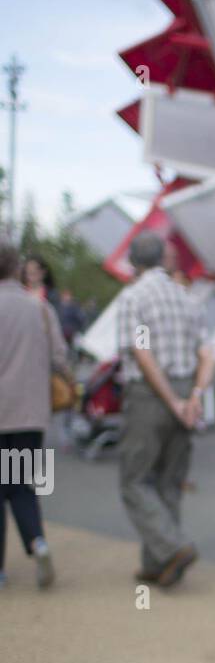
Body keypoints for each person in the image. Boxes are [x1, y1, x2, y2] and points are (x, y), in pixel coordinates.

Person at [116, 233, 215, 587]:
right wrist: (195, 396)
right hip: (187, 386)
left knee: (134, 478)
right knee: (169, 480)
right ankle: (158, 563)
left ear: (133, 261)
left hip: (149, 395)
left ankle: (172, 548)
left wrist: (170, 399)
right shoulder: (186, 297)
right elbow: (207, 353)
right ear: (162, 259)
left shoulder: (133, 297)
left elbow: (142, 354)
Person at [0, 238, 69, 588]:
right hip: (29, 412)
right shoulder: (39, 309)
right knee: (21, 484)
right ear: (16, 268)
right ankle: (37, 542)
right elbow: (60, 356)